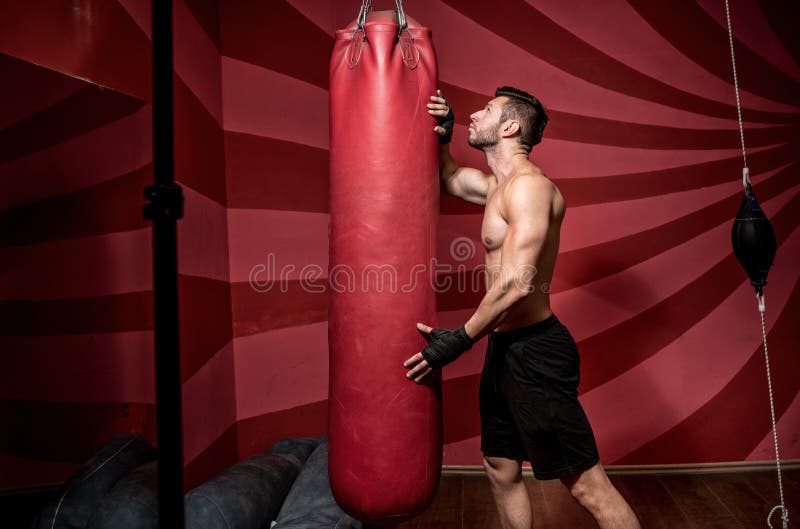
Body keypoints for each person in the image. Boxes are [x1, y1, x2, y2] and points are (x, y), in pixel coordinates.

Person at [403, 87, 641, 529]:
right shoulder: (498, 186)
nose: (475, 113)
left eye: (486, 111)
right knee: (500, 465)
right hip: (505, 348)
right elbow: (448, 178)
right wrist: (444, 135)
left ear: (510, 127)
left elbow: (517, 283)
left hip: (537, 352)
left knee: (587, 485)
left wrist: (458, 341)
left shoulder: (531, 189)